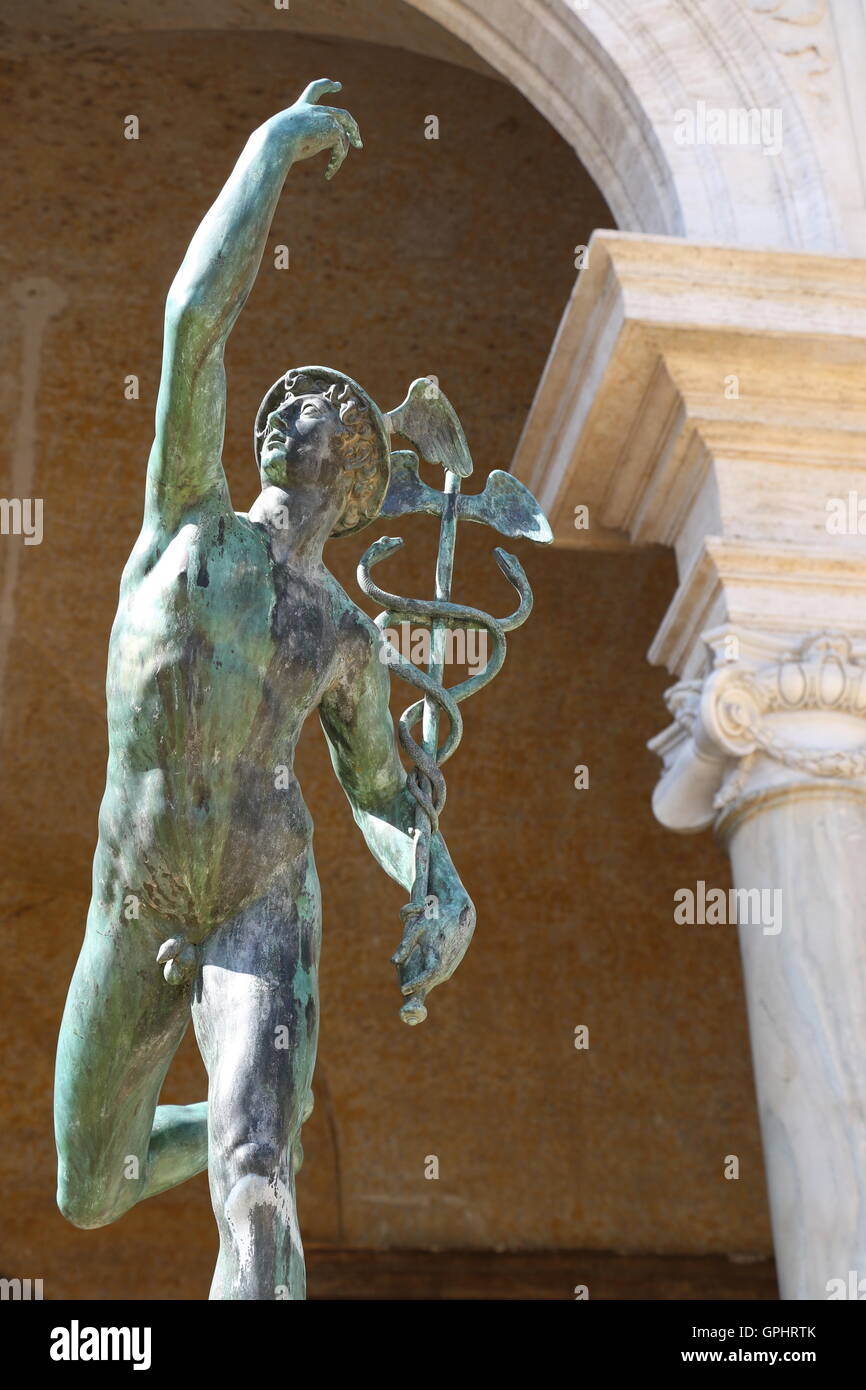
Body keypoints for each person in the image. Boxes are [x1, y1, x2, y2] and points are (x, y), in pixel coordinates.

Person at [54, 79, 475, 1301]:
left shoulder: (345, 633)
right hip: (135, 899)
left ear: (360, 483)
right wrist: (272, 149)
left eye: (339, 420)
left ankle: (258, 1136)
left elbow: (383, 794)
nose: (309, 416)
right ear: (263, 436)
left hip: (260, 893)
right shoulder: (186, 527)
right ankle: (245, 1116)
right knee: (91, 1184)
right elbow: (194, 319)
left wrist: (438, 882)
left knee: (255, 1183)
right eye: (297, 406)